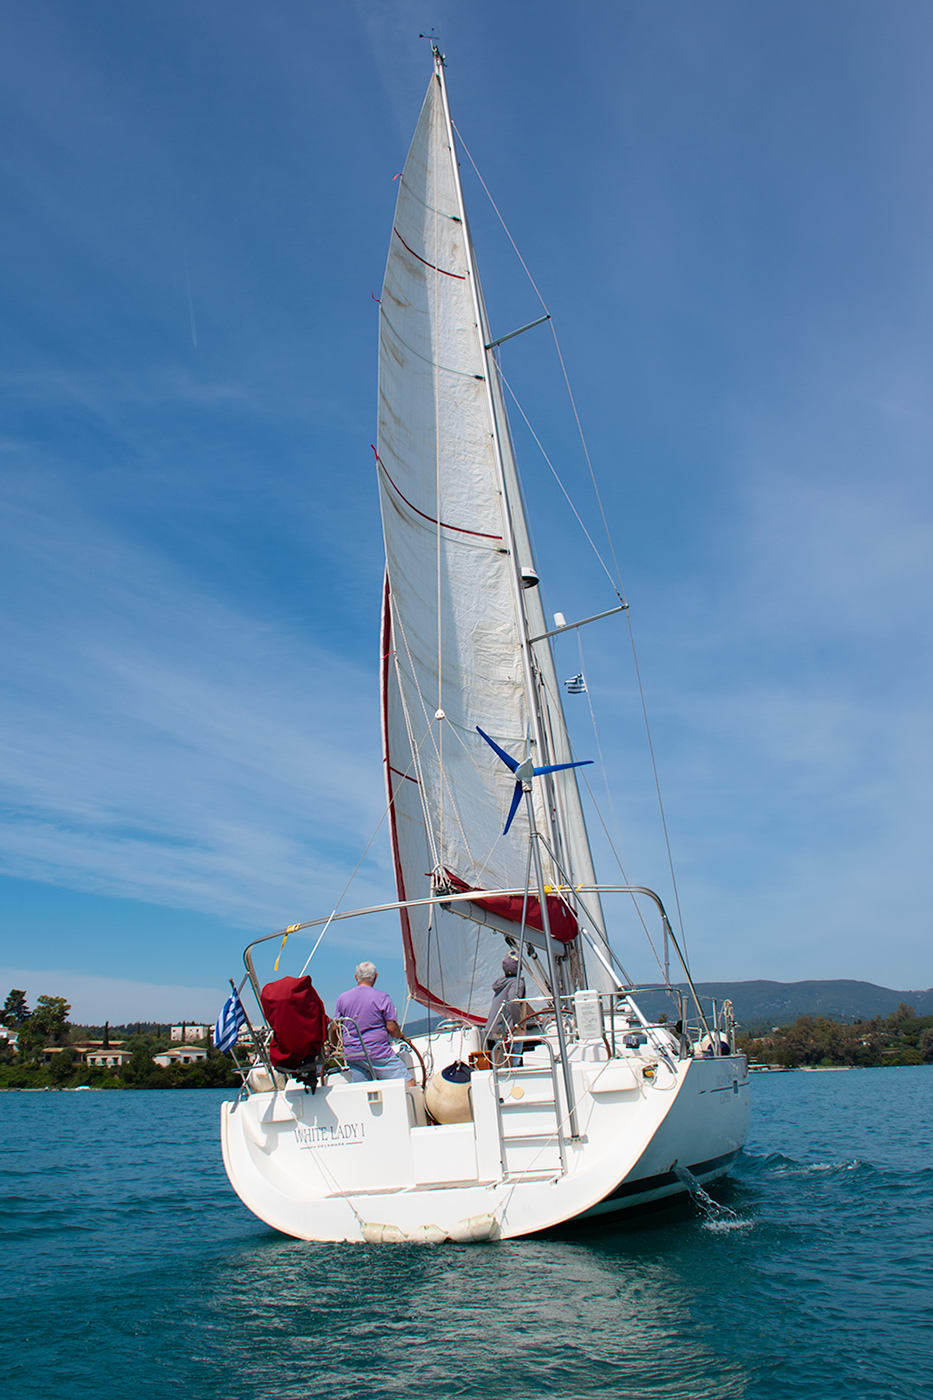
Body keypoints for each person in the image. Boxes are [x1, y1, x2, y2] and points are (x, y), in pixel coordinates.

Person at [334, 961, 414, 1085]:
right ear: (376, 976)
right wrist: (401, 1036)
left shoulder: (342, 999)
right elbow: (392, 1028)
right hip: (378, 1054)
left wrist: (337, 1046)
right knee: (408, 1083)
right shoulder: (382, 998)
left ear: (356, 977)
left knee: (363, 1090)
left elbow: (335, 1027)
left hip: (353, 1055)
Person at [483, 954, 527, 1062]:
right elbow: (513, 1002)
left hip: (495, 1027)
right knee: (514, 1060)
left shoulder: (501, 983)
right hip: (509, 1028)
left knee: (500, 1060)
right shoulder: (517, 983)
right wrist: (517, 1023)